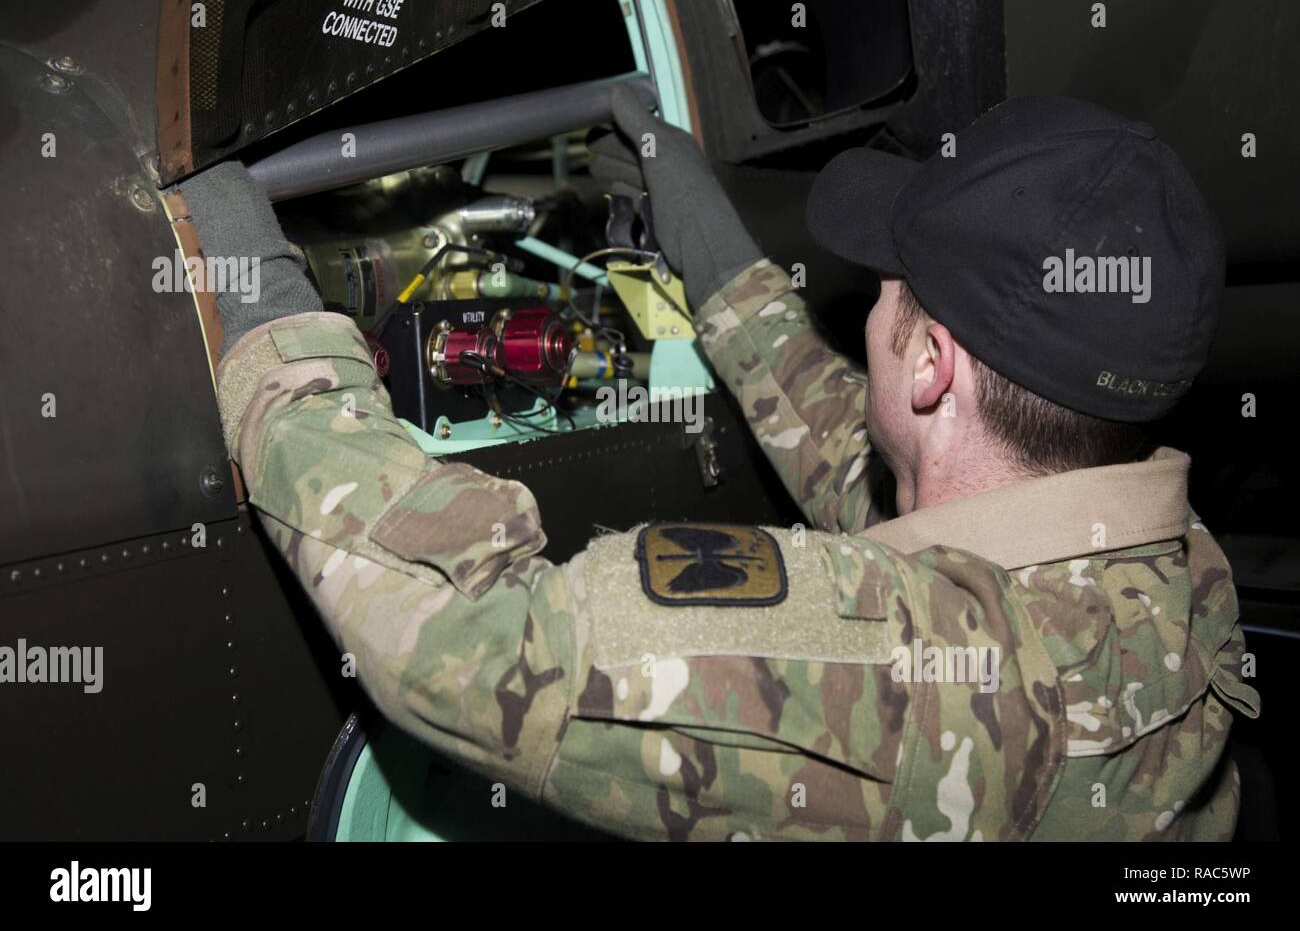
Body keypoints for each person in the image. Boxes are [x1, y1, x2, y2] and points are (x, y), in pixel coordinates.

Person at [184, 88, 1258, 841]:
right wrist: (716, 255)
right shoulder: (1169, 566)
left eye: (892, 282)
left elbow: (465, 654)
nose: (872, 294)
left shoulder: (908, 673)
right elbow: (861, 450)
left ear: (931, 365)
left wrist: (273, 320)